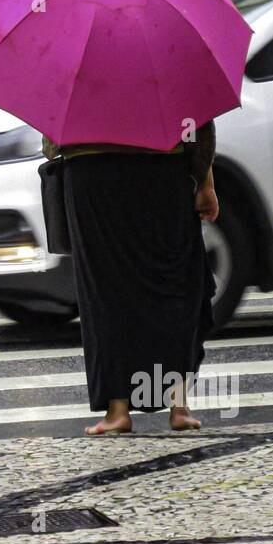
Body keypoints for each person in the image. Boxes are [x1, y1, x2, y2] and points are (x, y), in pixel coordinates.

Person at [48, 121, 218, 435]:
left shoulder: (68, 71)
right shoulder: (172, 69)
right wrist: (205, 181)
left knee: (107, 292)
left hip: (93, 175)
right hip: (162, 171)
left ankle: (117, 411)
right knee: (173, 283)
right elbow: (199, 121)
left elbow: (51, 139)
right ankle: (178, 406)